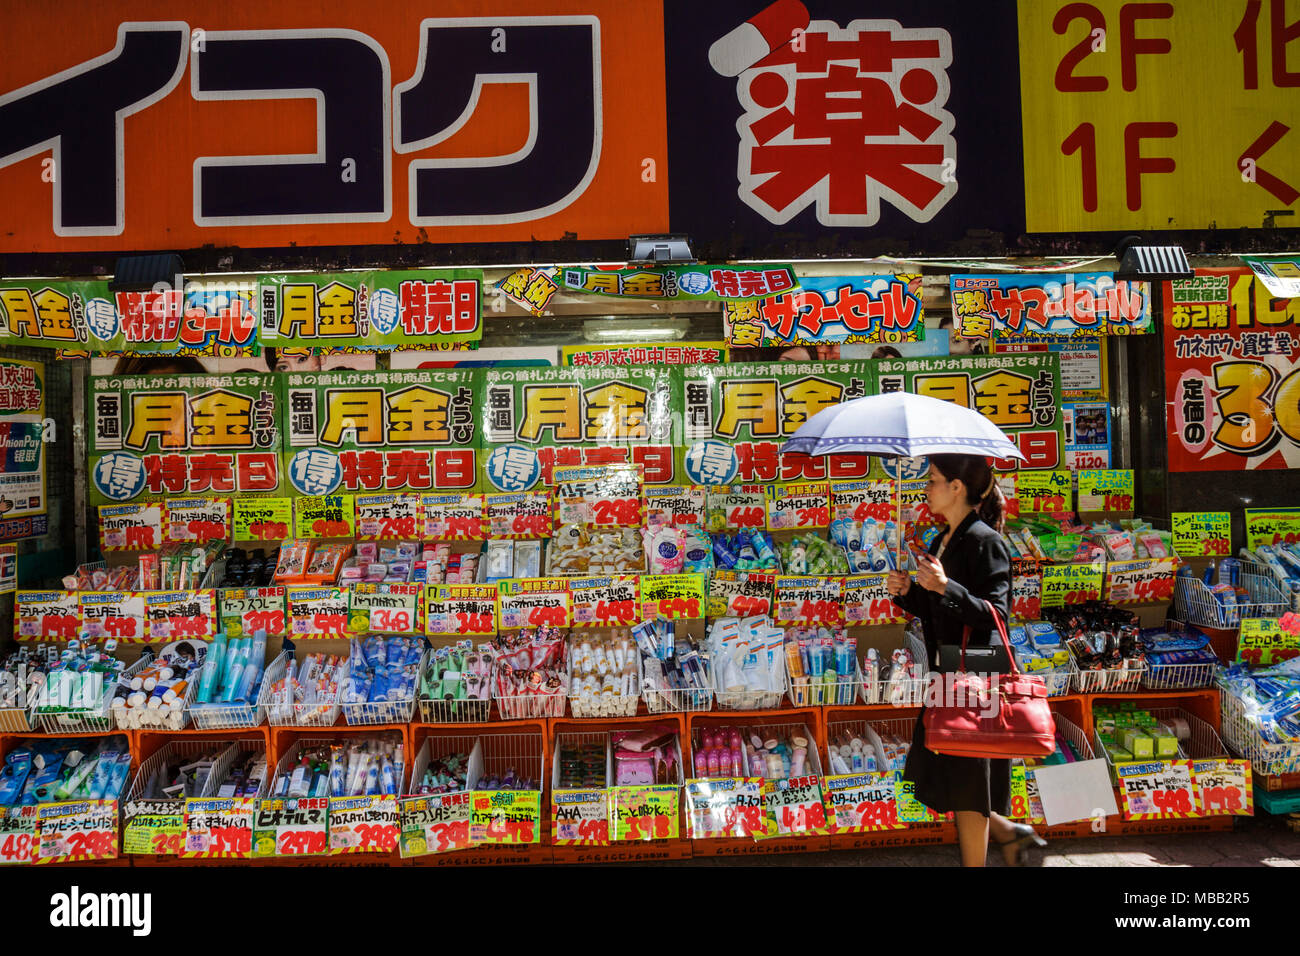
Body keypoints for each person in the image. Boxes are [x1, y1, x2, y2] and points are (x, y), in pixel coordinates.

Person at [885, 453, 1046, 867]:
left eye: (934, 479)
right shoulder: (945, 538)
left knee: (970, 780)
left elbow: (996, 614)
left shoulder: (984, 540)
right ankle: (1011, 833)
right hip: (950, 667)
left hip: (976, 670)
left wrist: (945, 587)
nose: (927, 487)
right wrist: (909, 593)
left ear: (957, 487)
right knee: (945, 770)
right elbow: (939, 608)